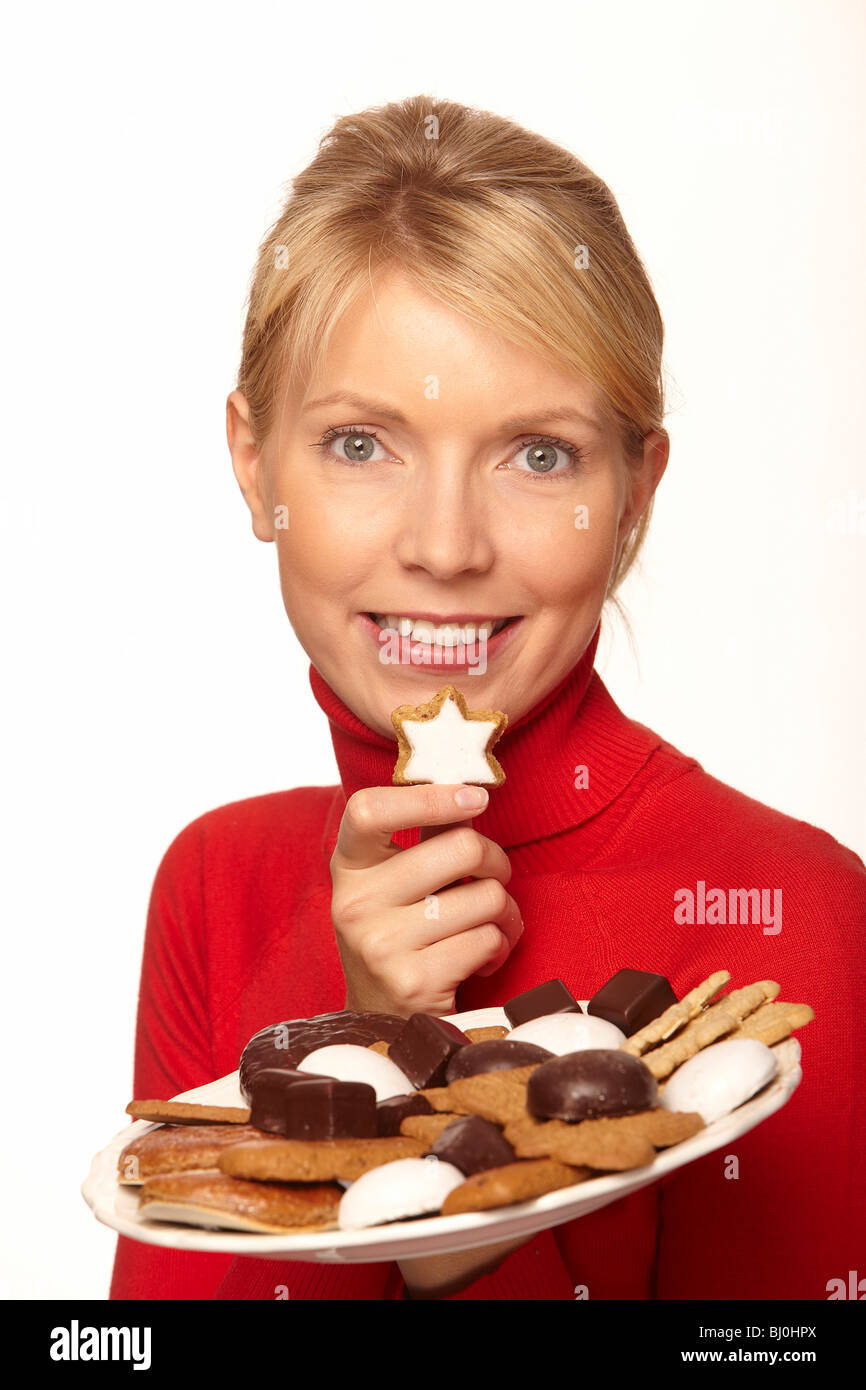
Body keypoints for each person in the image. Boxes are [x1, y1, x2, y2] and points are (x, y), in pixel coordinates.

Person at [109, 93, 866, 1301]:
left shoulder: (798, 918)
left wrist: (438, 1159)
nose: (446, 545)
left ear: (633, 492)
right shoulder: (217, 885)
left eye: (538, 454)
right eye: (363, 444)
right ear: (255, 465)